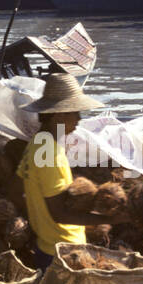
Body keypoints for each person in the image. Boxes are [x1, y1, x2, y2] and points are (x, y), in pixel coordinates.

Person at [16, 73, 129, 269]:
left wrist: (38, 220)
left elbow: (15, 190)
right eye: (75, 112)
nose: (79, 118)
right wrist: (109, 219)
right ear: (59, 114)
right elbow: (60, 214)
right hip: (63, 253)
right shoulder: (50, 152)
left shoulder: (37, 143)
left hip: (47, 246)